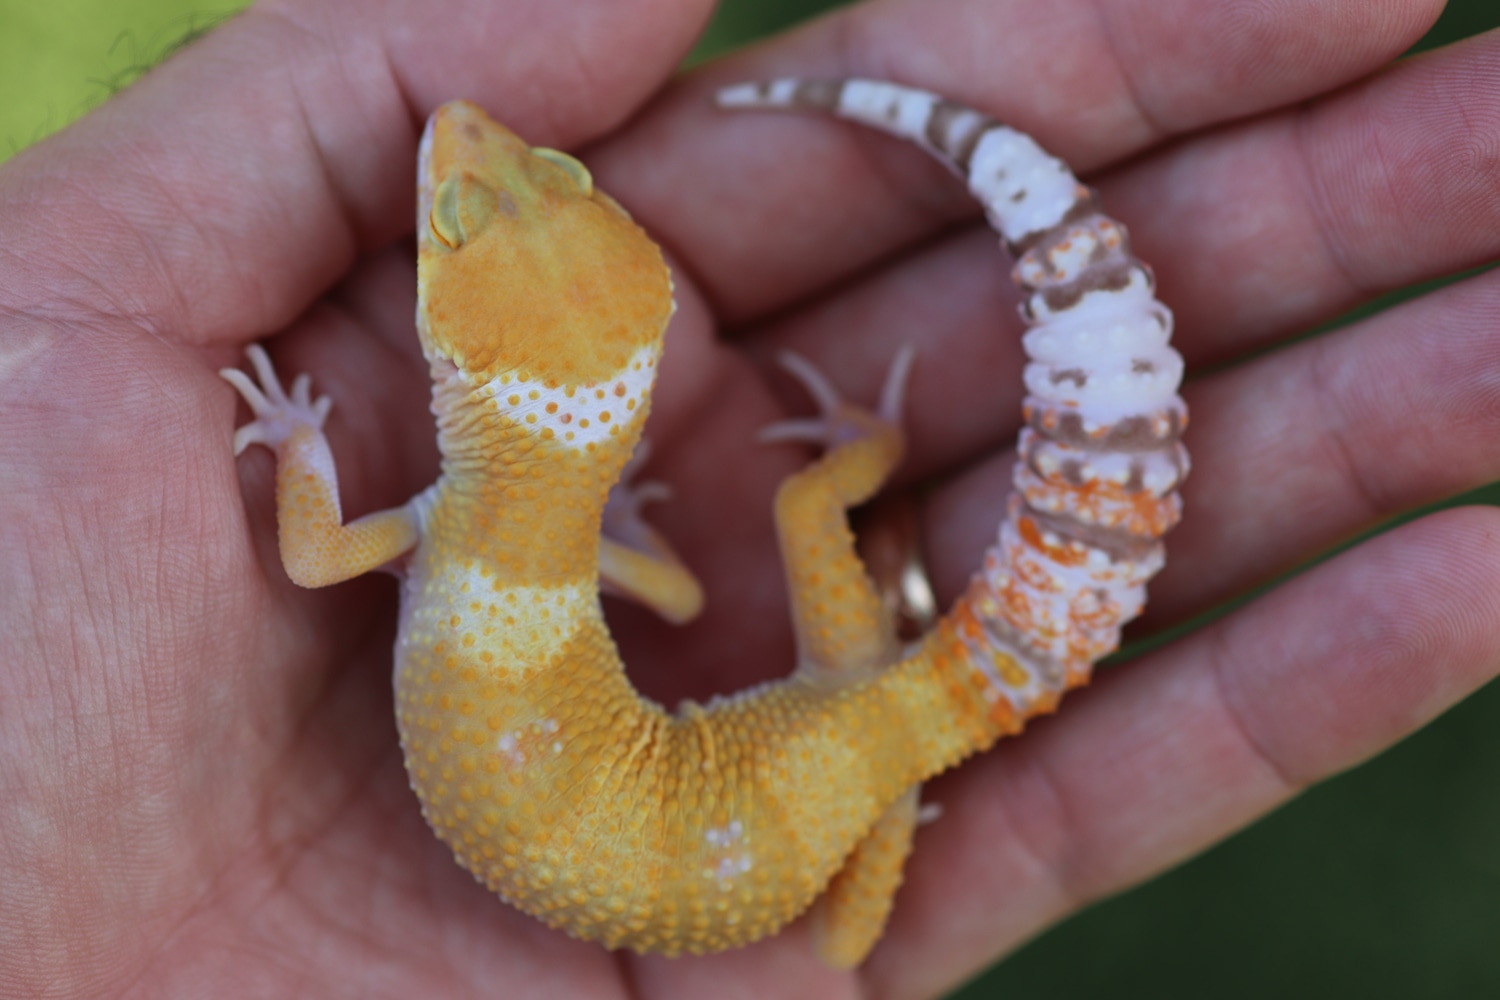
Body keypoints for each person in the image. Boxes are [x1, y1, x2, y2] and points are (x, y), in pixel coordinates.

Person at [2, 0, 1497, 995]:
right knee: (827, 593)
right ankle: (885, 680)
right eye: (485, 207)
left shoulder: (476, 537)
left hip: (830, 805)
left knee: (867, 745)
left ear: (456, 346)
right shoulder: (495, 539)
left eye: (518, 189)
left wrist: (290, 429)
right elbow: (378, 559)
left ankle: (891, 752)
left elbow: (323, 555)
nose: (474, 154)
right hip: (817, 766)